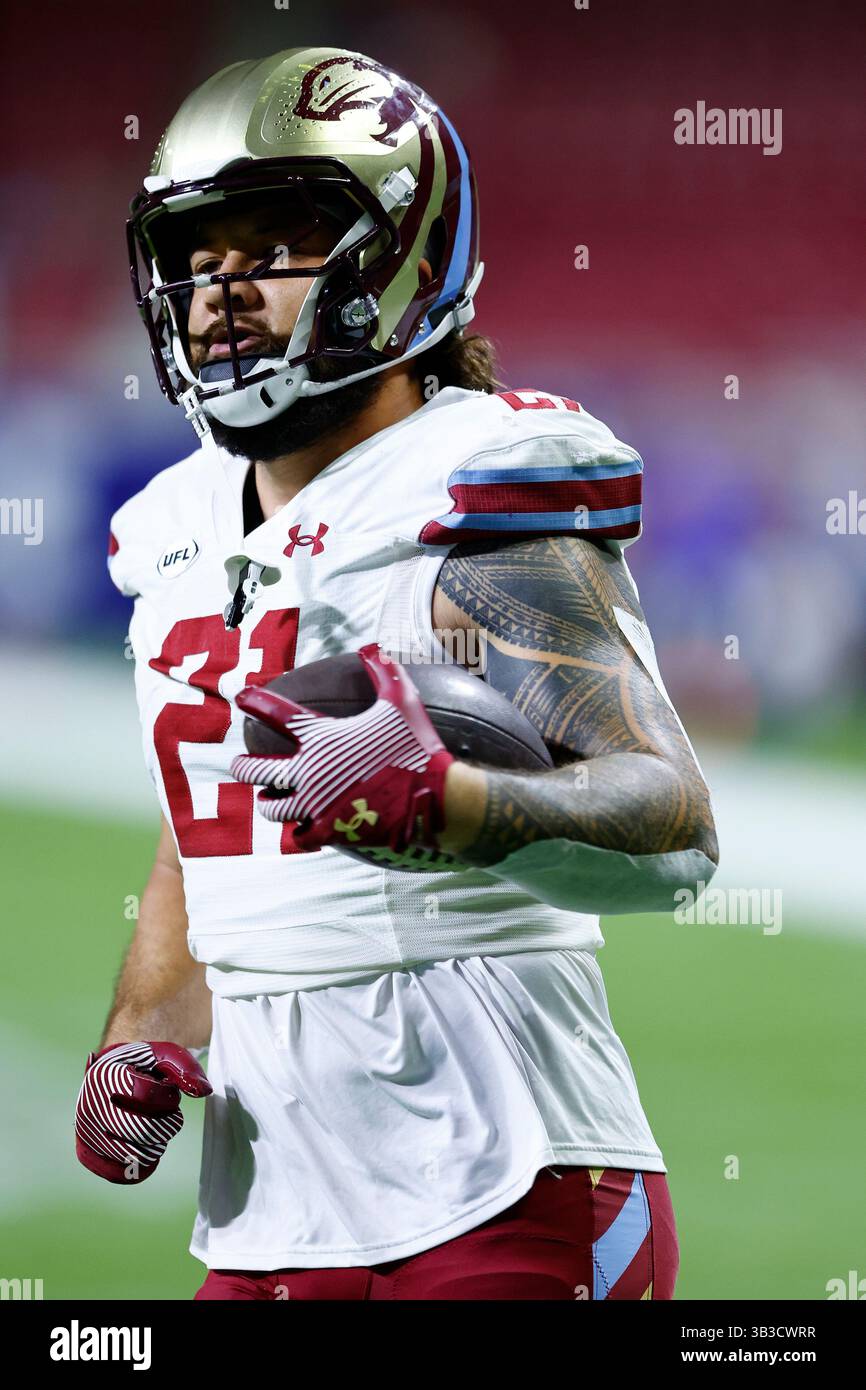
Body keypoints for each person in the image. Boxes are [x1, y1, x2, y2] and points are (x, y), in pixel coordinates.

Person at [75, 45, 718, 1300]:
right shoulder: (172, 526)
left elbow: (677, 834)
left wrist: (455, 807)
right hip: (270, 1208)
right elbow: (199, 835)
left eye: (272, 247)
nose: (221, 293)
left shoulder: (478, 486)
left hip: (508, 1179)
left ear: (397, 254)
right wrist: (139, 1035)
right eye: (198, 259)